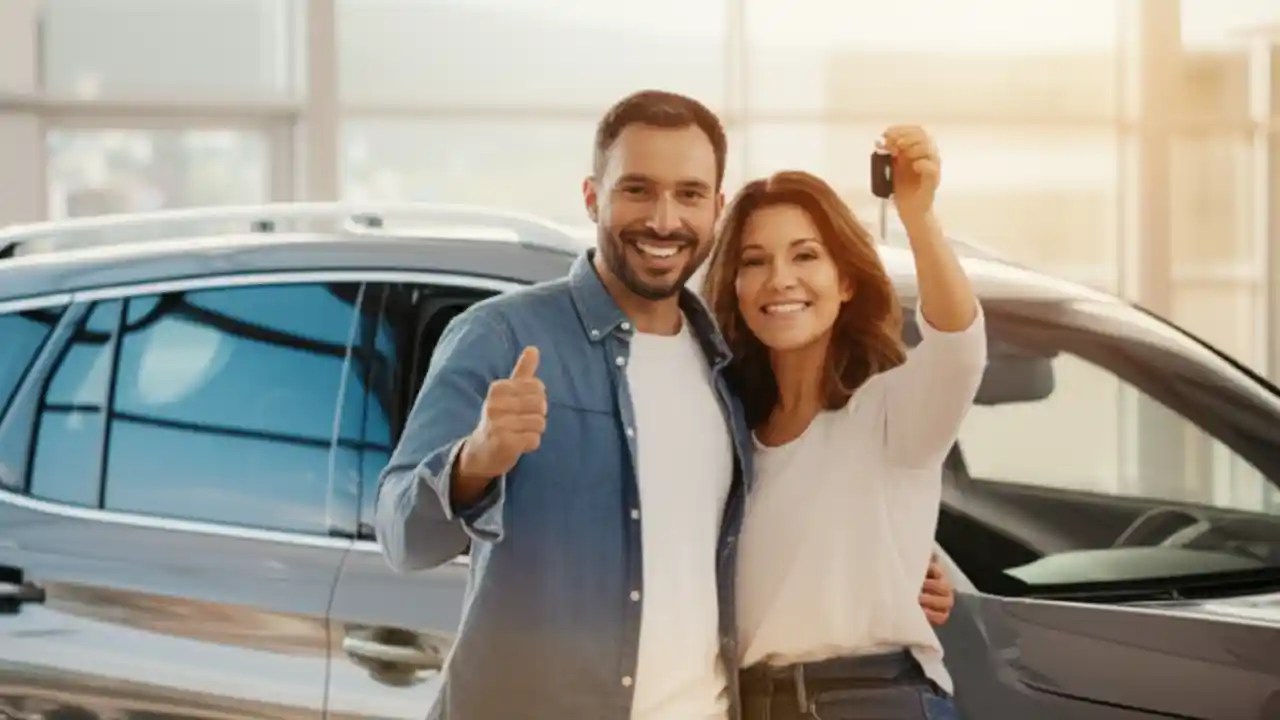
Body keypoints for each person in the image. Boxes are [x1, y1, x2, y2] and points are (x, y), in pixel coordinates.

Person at [375, 90, 956, 720]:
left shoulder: (730, 366)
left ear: (716, 208)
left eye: (688, 194)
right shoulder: (502, 336)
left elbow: (793, 509)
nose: (663, 219)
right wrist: (474, 462)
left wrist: (895, 570)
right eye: (637, 190)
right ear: (593, 196)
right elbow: (402, 537)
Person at [699, 127, 984, 720]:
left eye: (805, 255)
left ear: (847, 280)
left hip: (871, 701)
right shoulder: (722, 429)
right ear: (735, 285)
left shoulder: (891, 410)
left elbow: (958, 347)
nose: (780, 278)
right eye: (755, 261)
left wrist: (918, 216)